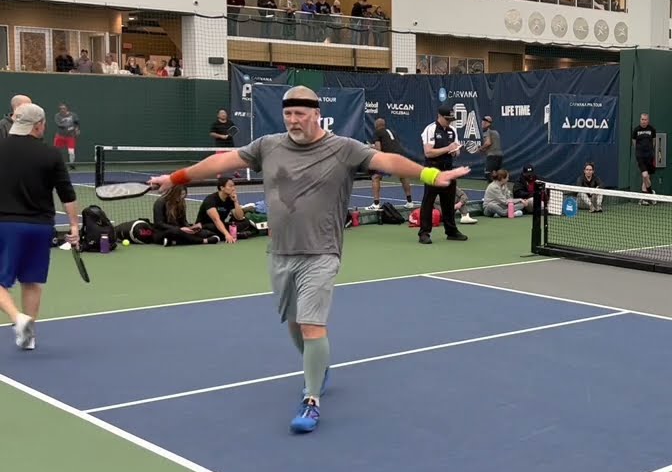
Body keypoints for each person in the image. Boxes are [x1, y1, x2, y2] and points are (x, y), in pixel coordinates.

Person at [148, 86, 470, 434]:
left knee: (312, 324)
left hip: (322, 251)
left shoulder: (343, 149)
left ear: (317, 114)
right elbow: (221, 162)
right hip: (281, 252)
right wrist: (174, 178)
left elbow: (388, 162)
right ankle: (318, 364)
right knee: (293, 323)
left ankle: (311, 399)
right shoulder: (267, 146)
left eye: (300, 114)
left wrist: (430, 175)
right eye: (288, 114)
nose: (293, 120)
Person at [0, 103, 79, 351]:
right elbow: (67, 195)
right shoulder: (51, 154)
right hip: (40, 227)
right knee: (32, 281)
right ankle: (29, 336)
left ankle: (18, 318)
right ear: (38, 125)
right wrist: (75, 226)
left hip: (6, 226)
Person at [419, 105, 468, 245]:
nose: (449, 122)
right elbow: (428, 152)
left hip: (448, 170)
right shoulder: (430, 129)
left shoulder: (452, 131)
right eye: (447, 119)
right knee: (428, 202)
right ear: (439, 116)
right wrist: (448, 148)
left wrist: (455, 151)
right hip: (433, 170)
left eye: (451, 119)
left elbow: (456, 149)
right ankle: (424, 233)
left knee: (448, 202)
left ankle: (451, 231)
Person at [368, 118, 415, 209]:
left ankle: (376, 204)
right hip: (400, 156)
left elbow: (378, 149)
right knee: (403, 177)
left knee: (375, 177)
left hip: (389, 158)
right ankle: (410, 202)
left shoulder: (377, 133)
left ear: (376, 125)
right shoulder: (390, 131)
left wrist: (370, 147)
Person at [152, 186, 220, 246]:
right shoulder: (160, 202)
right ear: (173, 194)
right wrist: (180, 229)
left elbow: (183, 221)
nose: (182, 196)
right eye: (180, 194)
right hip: (162, 233)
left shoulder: (181, 203)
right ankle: (203, 241)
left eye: (184, 194)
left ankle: (175, 242)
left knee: (207, 233)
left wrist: (191, 228)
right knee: (176, 232)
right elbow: (159, 224)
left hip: (180, 231)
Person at [196, 177, 247, 242]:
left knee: (245, 222)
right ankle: (233, 234)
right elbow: (216, 220)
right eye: (230, 186)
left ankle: (225, 234)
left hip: (221, 225)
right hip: (206, 226)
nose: (233, 188)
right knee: (213, 227)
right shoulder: (210, 199)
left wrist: (235, 201)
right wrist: (227, 235)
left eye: (234, 186)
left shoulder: (230, 199)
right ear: (222, 188)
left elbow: (240, 217)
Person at [631, 113, 658, 204]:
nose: (643, 121)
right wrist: (640, 152)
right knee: (645, 175)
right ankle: (650, 193)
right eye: (642, 119)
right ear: (640, 120)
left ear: (648, 120)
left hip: (649, 156)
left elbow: (654, 142)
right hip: (640, 156)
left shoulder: (652, 130)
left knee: (646, 178)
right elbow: (634, 143)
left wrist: (649, 151)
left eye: (645, 119)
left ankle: (645, 197)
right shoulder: (636, 130)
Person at [52, 103, 80, 169]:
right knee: (56, 151)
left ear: (67, 108)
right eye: (61, 109)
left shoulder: (73, 115)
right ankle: (56, 164)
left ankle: (72, 165)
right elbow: (60, 125)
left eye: (63, 108)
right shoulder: (57, 116)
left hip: (70, 137)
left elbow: (77, 123)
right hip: (60, 136)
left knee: (71, 152)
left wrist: (77, 129)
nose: (62, 110)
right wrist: (70, 127)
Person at [480, 115, 503, 181]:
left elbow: (488, 143)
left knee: (488, 174)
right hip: (499, 156)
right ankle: (499, 188)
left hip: (492, 156)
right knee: (496, 175)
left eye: (483, 122)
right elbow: (493, 145)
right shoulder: (495, 132)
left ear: (487, 123)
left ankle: (492, 189)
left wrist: (480, 148)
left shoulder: (488, 130)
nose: (482, 124)